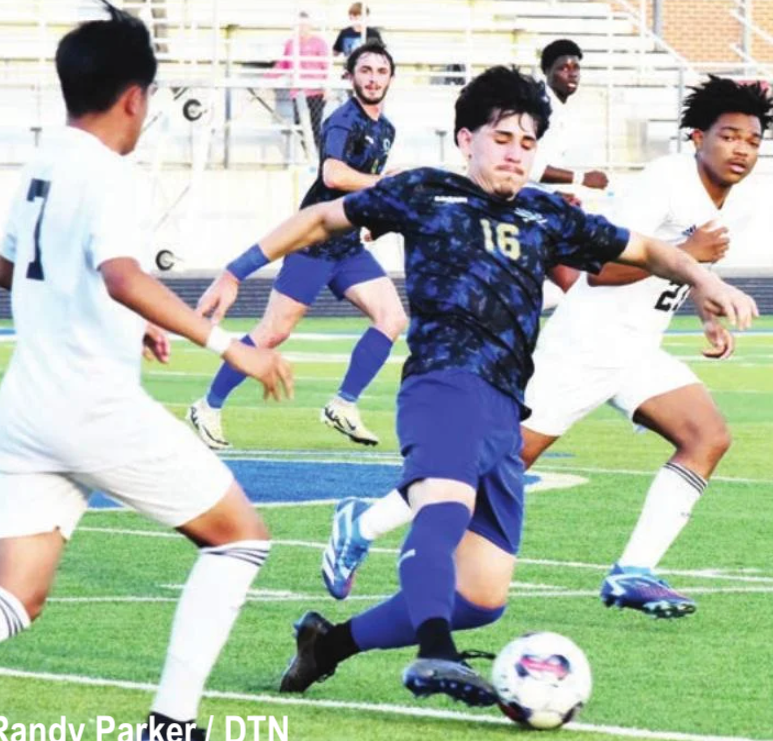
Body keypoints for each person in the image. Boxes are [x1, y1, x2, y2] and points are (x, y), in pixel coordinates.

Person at [196, 66, 756, 705]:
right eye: (502, 138)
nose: (516, 153)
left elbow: (648, 251)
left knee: (482, 598)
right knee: (443, 508)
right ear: (467, 140)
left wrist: (705, 282)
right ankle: (435, 654)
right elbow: (323, 218)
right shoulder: (426, 191)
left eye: (527, 142)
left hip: (506, 402)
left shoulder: (547, 213)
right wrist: (237, 270)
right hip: (443, 385)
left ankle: (328, 645)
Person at [318, 75, 771, 619]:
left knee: (707, 436)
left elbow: (684, 268)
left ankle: (633, 570)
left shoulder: (736, 204)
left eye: (752, 140)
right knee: (491, 465)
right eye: (729, 136)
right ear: (698, 137)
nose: (741, 150)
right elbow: (600, 272)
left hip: (637, 350)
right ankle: (363, 524)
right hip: (585, 346)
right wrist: (689, 253)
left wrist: (706, 306)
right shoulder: (666, 180)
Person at [0, 6, 292, 741]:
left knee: (14, 595)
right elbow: (121, 275)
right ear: (134, 97)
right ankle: (169, 728)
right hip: (92, 407)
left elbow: (7, 271)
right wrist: (230, 346)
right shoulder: (111, 172)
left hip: (27, 407)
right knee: (239, 539)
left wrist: (127, 321)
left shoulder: (44, 162)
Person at [188, 42, 406, 450]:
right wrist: (386, 184)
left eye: (381, 71)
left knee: (392, 317)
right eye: (365, 70)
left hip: (347, 246)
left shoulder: (386, 130)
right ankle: (207, 405)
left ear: (391, 78)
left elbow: (358, 191)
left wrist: (374, 219)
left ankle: (343, 404)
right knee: (273, 333)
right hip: (313, 243)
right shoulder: (343, 121)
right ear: (350, 76)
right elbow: (335, 175)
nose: (374, 78)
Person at [530, 39, 610, 193]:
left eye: (576, 68)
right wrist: (582, 178)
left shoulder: (557, 106)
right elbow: (527, 167)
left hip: (539, 193)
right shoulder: (540, 106)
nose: (572, 74)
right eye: (564, 68)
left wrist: (557, 193)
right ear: (547, 71)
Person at [272, 10, 330, 153]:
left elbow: (326, 66)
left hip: (316, 91)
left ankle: (318, 155)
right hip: (298, 91)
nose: (302, 29)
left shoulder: (319, 43)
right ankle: (308, 154)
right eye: (299, 25)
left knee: (315, 125)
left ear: (310, 26)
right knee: (300, 125)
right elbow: (283, 64)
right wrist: (268, 79)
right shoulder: (291, 44)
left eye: (304, 25)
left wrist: (327, 87)